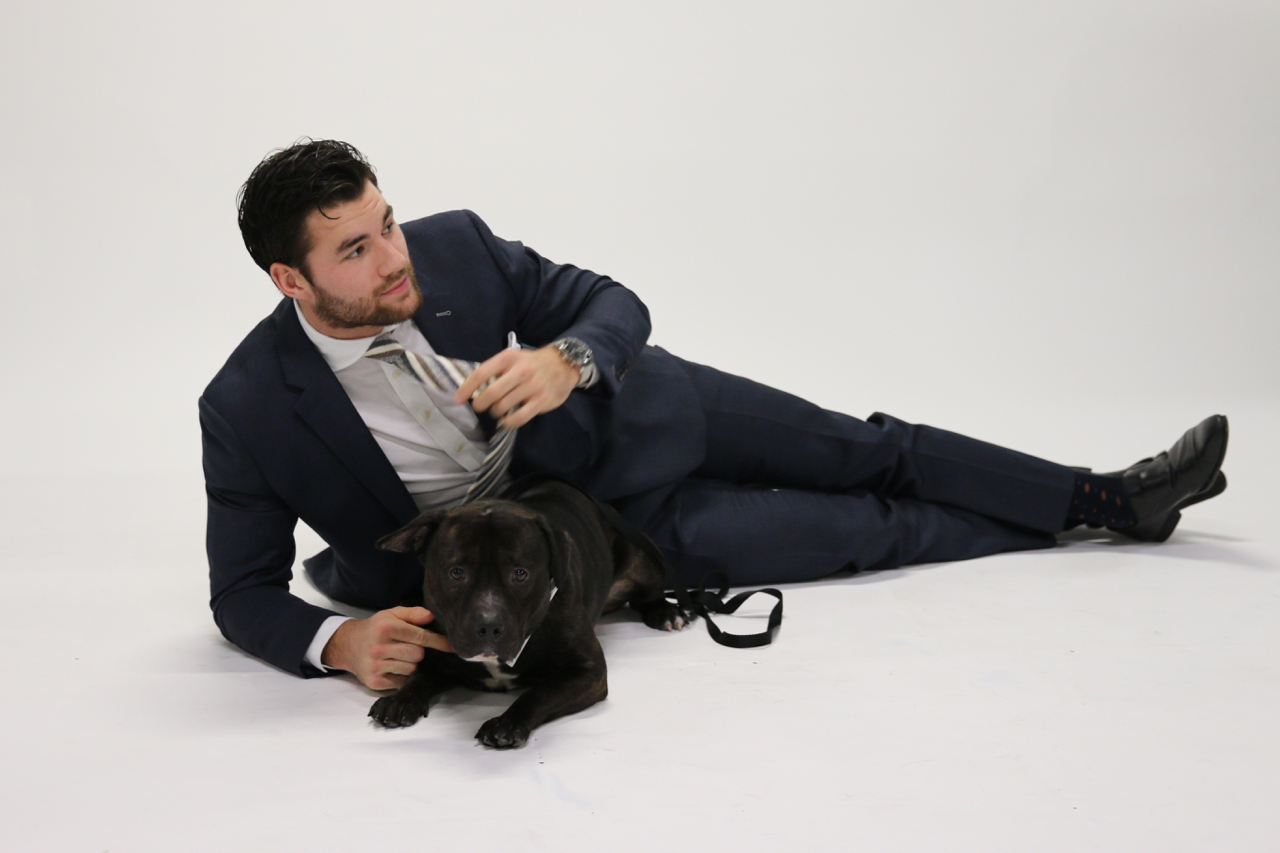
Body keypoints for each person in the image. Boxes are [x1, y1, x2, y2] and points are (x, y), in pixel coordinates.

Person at [201, 139, 1229, 690]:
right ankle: (1062, 527)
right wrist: (336, 643)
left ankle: (1107, 497)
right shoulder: (246, 408)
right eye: (356, 251)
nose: (395, 260)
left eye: (386, 223)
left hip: (644, 414)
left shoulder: (455, 245)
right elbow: (242, 591)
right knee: (866, 532)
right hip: (608, 541)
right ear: (291, 279)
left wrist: (567, 361)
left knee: (875, 450)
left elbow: (612, 304)